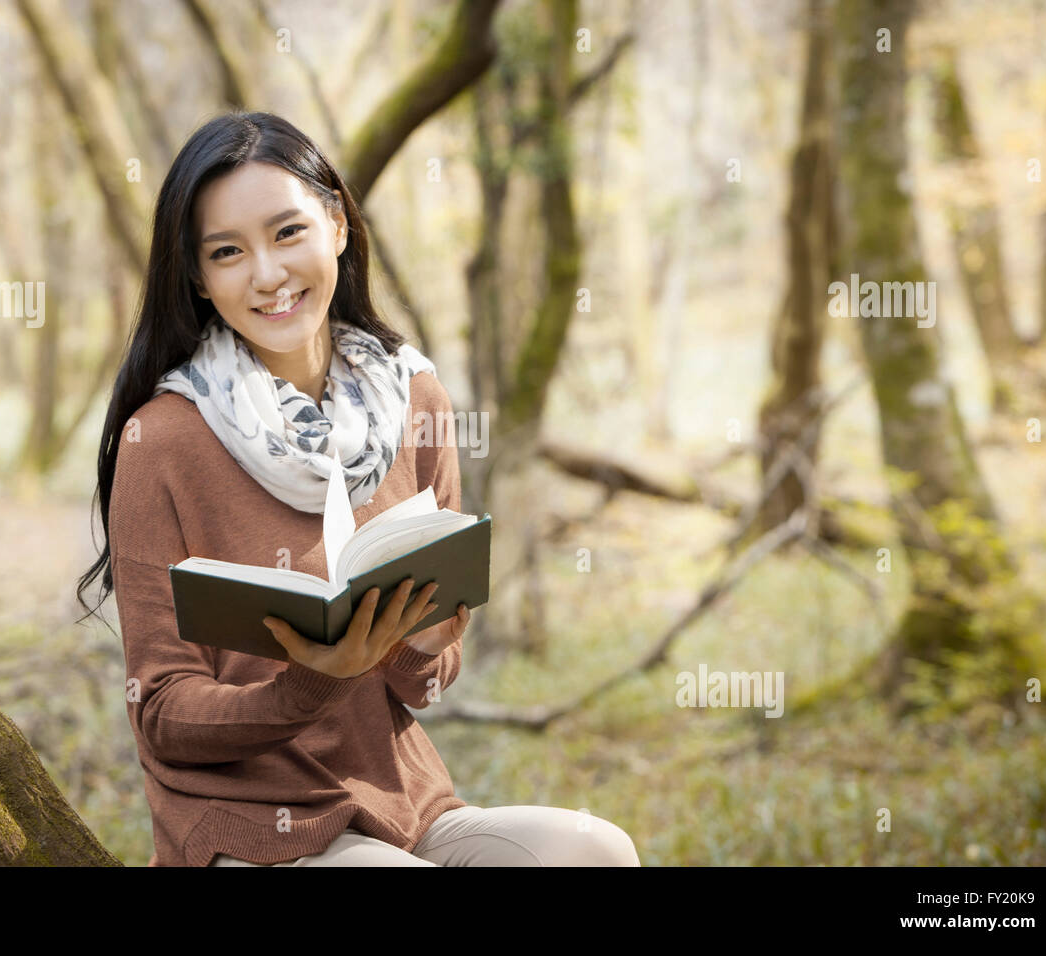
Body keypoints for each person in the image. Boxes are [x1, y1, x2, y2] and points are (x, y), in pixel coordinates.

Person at [77, 110, 640, 867]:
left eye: (287, 232)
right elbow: (163, 715)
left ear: (337, 225)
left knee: (595, 851)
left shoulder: (414, 398)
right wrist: (306, 686)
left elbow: (426, 684)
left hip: (400, 805)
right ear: (198, 278)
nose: (268, 274)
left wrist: (429, 638)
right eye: (227, 252)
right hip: (244, 825)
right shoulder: (163, 441)